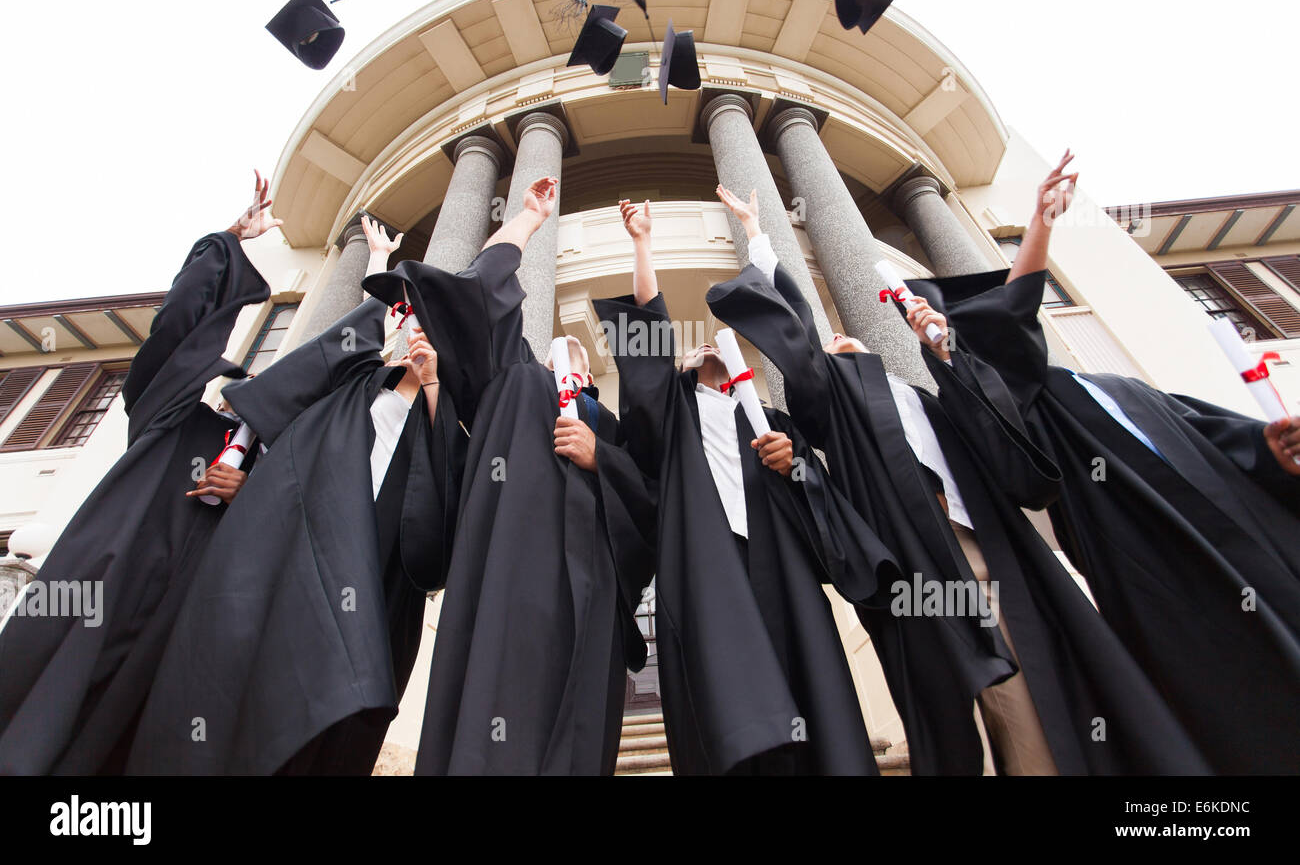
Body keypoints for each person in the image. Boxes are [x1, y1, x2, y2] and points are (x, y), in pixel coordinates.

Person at [706, 185, 1210, 775]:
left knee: (1042, 693)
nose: (837, 339)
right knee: (972, 714)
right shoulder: (838, 402)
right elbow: (799, 342)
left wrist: (943, 352)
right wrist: (759, 237)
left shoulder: (925, 398)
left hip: (993, 551)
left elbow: (999, 430)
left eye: (847, 335)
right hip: (925, 566)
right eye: (831, 342)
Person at [907, 151, 1300, 773]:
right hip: (1151, 561)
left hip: (1250, 540)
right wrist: (947, 350)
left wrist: (1271, 452)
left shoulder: (1119, 385)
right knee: (1237, 699)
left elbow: (1221, 440)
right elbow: (1016, 465)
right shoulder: (1027, 410)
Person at [127, 214, 467, 775]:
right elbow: (301, 446)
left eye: (427, 320)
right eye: (409, 317)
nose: (416, 329)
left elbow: (445, 497)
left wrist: (432, 384)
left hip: (381, 586)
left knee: (338, 731)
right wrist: (252, 490)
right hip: (302, 572)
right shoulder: (356, 388)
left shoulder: (451, 417)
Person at [590, 196, 898, 775]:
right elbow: (648, 329)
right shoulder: (673, 416)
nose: (708, 343)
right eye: (695, 344)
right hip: (707, 571)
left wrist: (794, 466)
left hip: (780, 567)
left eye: (717, 342)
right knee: (725, 708)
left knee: (809, 694)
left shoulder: (768, 422)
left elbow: (819, 493)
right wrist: (642, 243)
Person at [362, 176, 657, 775]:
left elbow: (654, 495)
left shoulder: (612, 427)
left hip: (592, 583)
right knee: (496, 711)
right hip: (508, 568)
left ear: (593, 376)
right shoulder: (517, 383)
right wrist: (527, 220)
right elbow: (483, 297)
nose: (564, 349)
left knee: (578, 732)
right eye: (555, 344)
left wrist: (602, 456)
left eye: (576, 354)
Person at [0, 173, 275, 774]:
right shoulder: (171, 416)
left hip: (179, 620)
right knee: (45, 708)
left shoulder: (274, 467)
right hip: (107, 584)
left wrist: (250, 490)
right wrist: (229, 241)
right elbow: (178, 327)